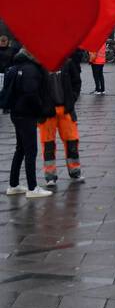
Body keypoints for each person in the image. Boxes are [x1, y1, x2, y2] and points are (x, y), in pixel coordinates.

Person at [2, 47, 54, 198]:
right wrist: (39, 109)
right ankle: (32, 187)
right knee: (30, 151)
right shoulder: (31, 69)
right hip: (27, 114)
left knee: (20, 149)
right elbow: (31, 93)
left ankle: (14, 184)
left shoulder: (16, 66)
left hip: (16, 112)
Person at [39, 52, 83, 184]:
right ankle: (50, 176)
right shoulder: (39, 64)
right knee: (48, 144)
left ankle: (75, 172)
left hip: (66, 109)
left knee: (72, 142)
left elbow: (77, 81)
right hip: (47, 112)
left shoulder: (67, 63)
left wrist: (72, 98)